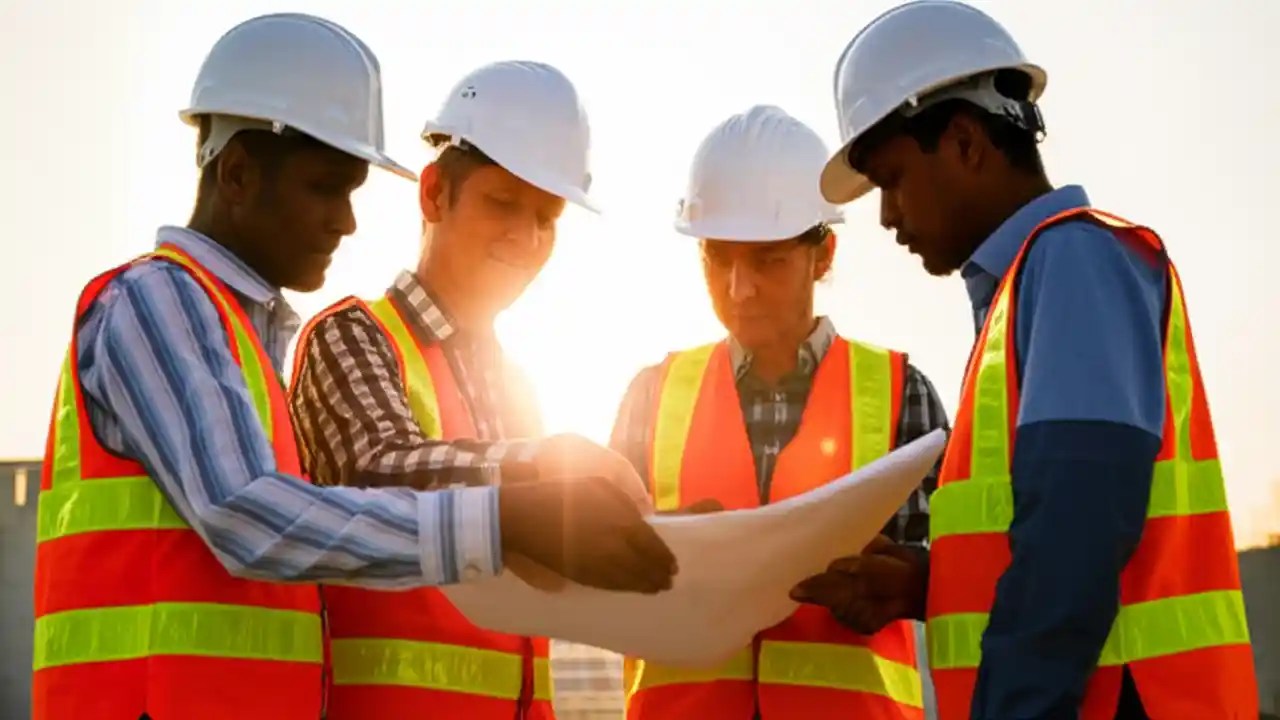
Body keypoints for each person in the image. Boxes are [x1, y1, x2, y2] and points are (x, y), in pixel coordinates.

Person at [31, 18, 675, 720]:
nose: (347, 222)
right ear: (238, 174)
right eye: (324, 189)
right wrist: (507, 516)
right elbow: (247, 512)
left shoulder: (242, 340)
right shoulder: (154, 300)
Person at [819, 2, 1259, 719]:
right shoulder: (1031, 285)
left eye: (893, 180)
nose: (889, 217)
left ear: (964, 142)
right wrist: (932, 585)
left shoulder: (1072, 260)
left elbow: (1073, 540)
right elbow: (1057, 539)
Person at [287, 59, 649, 719]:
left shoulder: (517, 383)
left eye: (547, 217)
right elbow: (373, 473)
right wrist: (545, 467)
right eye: (503, 204)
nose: (527, 237)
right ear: (433, 196)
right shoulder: (352, 336)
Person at [610, 104, 950, 720]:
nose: (739, 288)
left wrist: (908, 585)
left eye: (767, 260)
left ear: (823, 256)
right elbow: (598, 575)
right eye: (719, 258)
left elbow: (964, 572)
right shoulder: (652, 396)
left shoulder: (904, 392)